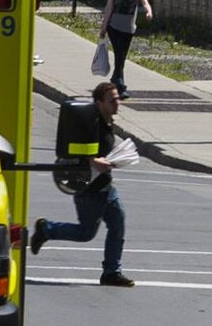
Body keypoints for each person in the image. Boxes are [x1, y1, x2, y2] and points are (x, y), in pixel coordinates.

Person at [30, 81, 134, 288]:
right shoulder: (90, 123)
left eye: (118, 99)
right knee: (85, 233)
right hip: (90, 189)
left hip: (106, 186)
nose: (117, 103)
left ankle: (111, 272)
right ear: (99, 102)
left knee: (118, 226)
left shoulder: (107, 122)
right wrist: (94, 161)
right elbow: (76, 152)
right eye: (112, 100)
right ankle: (46, 229)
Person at [99, 0, 152, 101]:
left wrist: (148, 11)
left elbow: (144, 0)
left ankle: (114, 81)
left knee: (122, 56)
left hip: (129, 28)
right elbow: (109, 5)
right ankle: (121, 87)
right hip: (114, 26)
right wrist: (104, 26)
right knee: (119, 55)